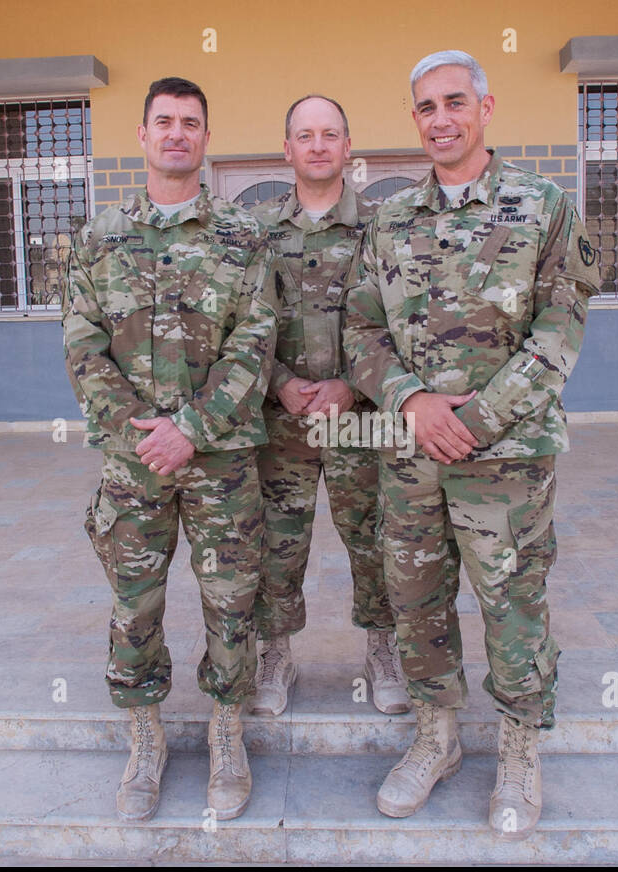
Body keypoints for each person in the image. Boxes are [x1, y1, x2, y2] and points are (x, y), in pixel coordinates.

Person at [343, 50, 601, 839]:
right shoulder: (388, 220)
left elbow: (562, 330)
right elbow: (360, 332)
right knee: (416, 604)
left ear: (486, 108)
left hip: (507, 463)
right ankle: (437, 740)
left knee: (513, 605)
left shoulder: (544, 206)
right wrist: (413, 402)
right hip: (411, 458)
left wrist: (477, 420)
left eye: (455, 101)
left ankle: (520, 750)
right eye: (425, 107)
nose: (440, 119)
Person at [63, 76, 277, 823]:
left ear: (206, 137)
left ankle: (226, 732)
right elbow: (84, 349)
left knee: (231, 602)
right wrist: (141, 435)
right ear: (143, 135)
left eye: (191, 122)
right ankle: (145, 738)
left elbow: (255, 344)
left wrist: (192, 427)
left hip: (221, 463)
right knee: (134, 604)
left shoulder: (244, 239)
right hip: (132, 469)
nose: (178, 133)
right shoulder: (97, 239)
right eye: (165, 121)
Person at [247, 94, 406, 718]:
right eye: (305, 135)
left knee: (375, 536)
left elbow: (401, 321)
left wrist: (353, 385)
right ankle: (276, 654)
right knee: (275, 541)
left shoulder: (384, 227)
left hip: (361, 419)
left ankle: (383, 648)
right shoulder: (255, 231)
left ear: (348, 148)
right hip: (279, 420)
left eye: (330, 134)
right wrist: (281, 382)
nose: (318, 145)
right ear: (286, 149)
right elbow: (240, 325)